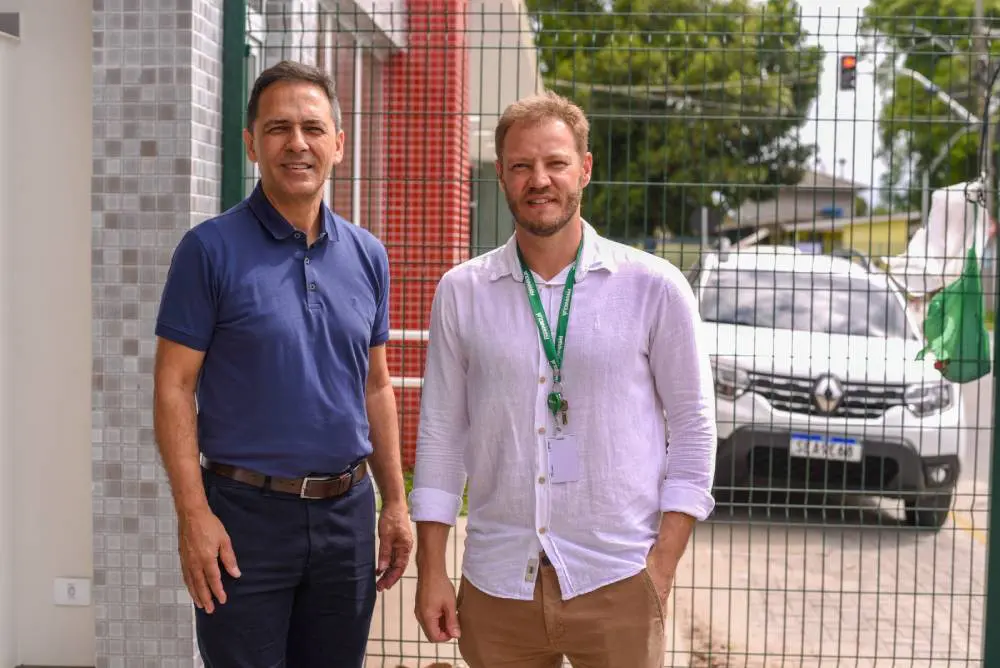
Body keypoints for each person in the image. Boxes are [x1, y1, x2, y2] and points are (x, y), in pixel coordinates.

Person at [410, 91, 718, 667]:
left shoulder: (654, 287)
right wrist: (431, 570)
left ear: (585, 168)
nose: (539, 180)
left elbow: (696, 429)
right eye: (522, 165)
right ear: (500, 174)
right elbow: (440, 434)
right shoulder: (462, 291)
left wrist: (662, 566)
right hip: (498, 582)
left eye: (555, 162)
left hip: (618, 579)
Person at [152, 60, 412, 668]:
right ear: (251, 143)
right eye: (278, 128)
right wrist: (194, 515)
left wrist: (394, 504)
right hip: (242, 521)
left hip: (346, 515)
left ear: (339, 144)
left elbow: (376, 386)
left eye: (313, 128)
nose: (297, 143)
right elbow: (173, 387)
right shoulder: (208, 250)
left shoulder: (369, 256)